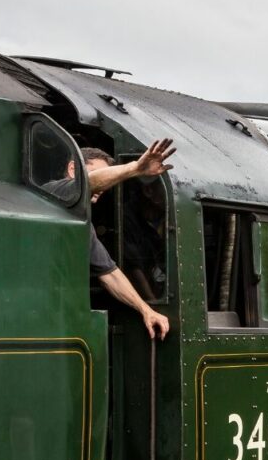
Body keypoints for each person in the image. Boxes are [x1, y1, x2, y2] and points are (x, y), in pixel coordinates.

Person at [51, 139, 177, 340]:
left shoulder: (82, 222)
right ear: (74, 169)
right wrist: (136, 168)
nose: (106, 185)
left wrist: (146, 310)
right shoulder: (53, 192)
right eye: (101, 174)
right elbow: (88, 183)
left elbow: (109, 273)